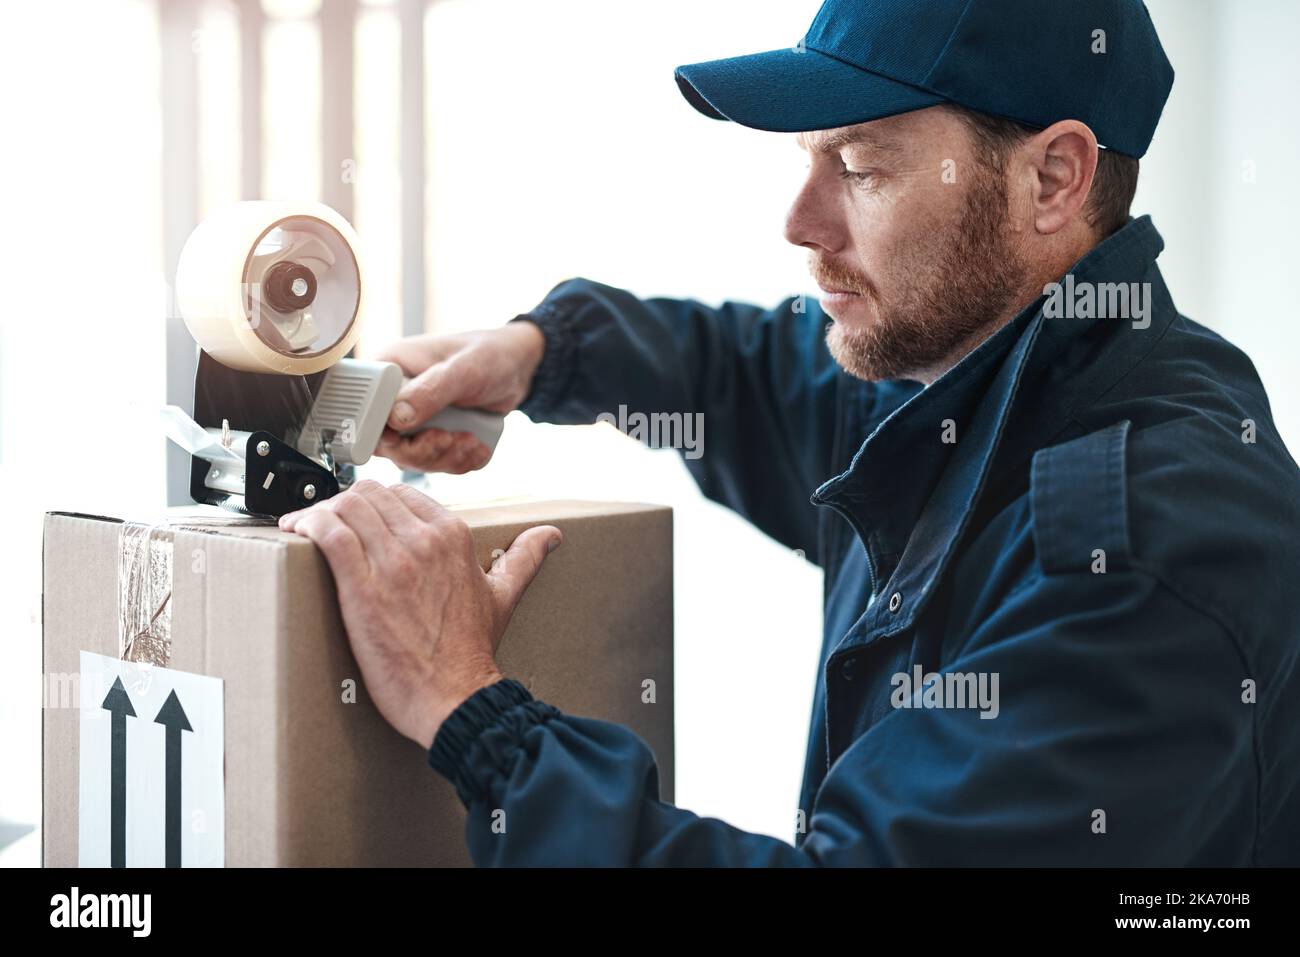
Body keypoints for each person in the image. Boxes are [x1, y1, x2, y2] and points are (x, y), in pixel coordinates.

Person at [279, 0, 1300, 865]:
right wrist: (544, 353)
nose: (800, 221)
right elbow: (748, 371)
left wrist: (474, 715)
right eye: (810, 158)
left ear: (1052, 181)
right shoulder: (949, 369)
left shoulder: (1145, 546)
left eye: (859, 166)